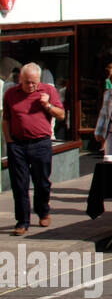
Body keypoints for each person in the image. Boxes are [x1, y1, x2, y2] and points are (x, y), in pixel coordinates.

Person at [3, 63, 66, 235]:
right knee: (19, 185)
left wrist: (47, 106)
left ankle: (43, 210)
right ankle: (22, 221)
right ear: (20, 80)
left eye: (34, 83)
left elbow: (61, 115)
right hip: (18, 145)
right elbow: (6, 119)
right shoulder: (10, 94)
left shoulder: (48, 91)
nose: (31, 86)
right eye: (27, 82)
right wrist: (10, 142)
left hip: (41, 144)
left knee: (42, 182)